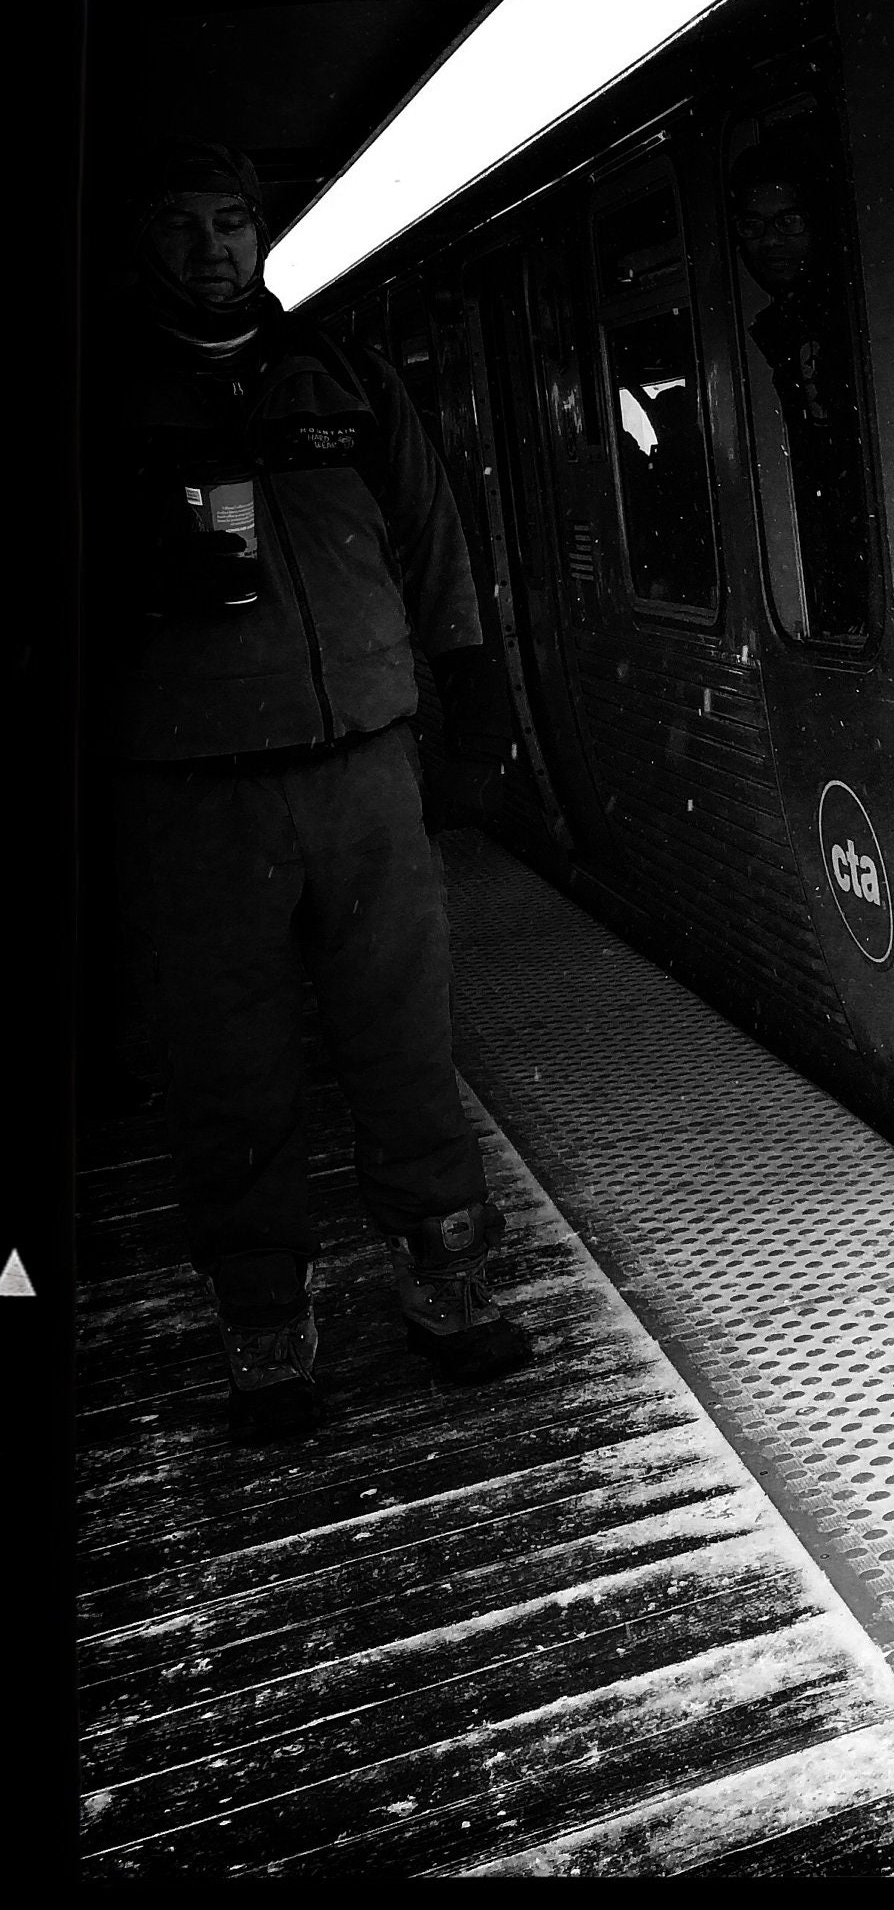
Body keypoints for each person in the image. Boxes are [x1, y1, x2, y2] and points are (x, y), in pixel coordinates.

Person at [95, 138, 535, 1441]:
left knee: (404, 1034)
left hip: (362, 768)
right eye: (181, 223)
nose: (212, 248)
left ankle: (450, 1290)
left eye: (230, 221)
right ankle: (266, 1335)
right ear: (143, 243)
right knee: (228, 1064)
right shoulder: (103, 398)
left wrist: (470, 671)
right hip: (192, 789)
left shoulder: (336, 369)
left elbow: (432, 526)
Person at [728, 131, 870, 637]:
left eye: (788, 221)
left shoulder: (857, 311)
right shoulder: (785, 326)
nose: (769, 241)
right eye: (752, 225)